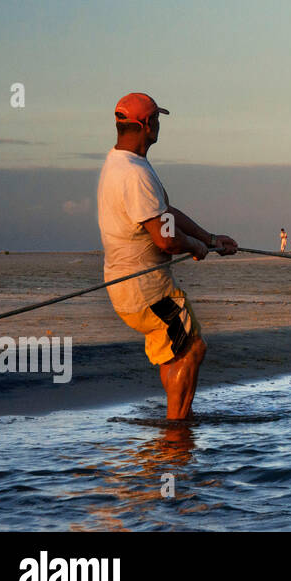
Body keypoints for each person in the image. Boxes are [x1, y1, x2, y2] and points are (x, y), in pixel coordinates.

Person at [96, 93, 238, 420]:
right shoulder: (134, 173)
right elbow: (167, 238)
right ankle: (176, 433)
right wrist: (194, 247)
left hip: (130, 286)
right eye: (157, 120)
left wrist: (209, 238)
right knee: (191, 350)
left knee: (173, 353)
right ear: (147, 125)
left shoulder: (120, 162)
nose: (158, 126)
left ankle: (174, 425)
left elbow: (164, 212)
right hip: (147, 291)